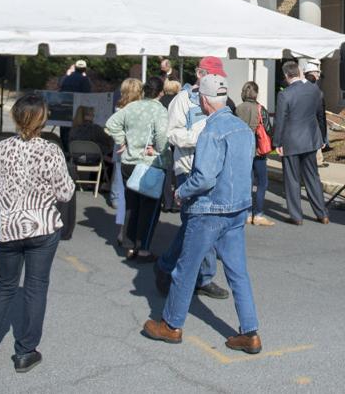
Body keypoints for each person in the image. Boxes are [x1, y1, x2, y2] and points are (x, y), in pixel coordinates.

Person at [141, 74, 262, 355]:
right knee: (238, 272)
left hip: (209, 209)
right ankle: (250, 332)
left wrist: (182, 192)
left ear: (204, 101)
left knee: (186, 269)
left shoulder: (210, 130)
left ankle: (171, 325)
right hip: (236, 207)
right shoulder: (243, 129)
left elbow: (205, 177)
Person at [0, 94, 75, 374]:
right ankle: (25, 351)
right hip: (41, 225)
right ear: (43, 119)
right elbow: (65, 192)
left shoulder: (1, 148)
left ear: (15, 117)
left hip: (8, 225)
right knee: (35, 287)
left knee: (4, 285)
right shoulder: (51, 151)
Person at [155, 57, 231, 298]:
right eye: (213, 75)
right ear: (200, 74)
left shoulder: (220, 96)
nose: (218, 80)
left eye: (219, 76)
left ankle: (199, 276)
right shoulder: (182, 100)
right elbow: (171, 134)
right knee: (196, 223)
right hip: (188, 170)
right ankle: (173, 268)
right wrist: (199, 138)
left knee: (204, 223)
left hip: (213, 169)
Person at [104, 77, 169, 259]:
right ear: (161, 92)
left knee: (132, 205)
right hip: (148, 163)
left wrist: (122, 140)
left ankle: (130, 245)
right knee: (149, 208)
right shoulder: (159, 110)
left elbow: (111, 124)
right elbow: (161, 135)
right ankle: (143, 249)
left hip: (128, 162)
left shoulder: (132, 106)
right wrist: (159, 149)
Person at [273, 59, 330, 225]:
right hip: (310, 139)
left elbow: (280, 120)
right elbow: (320, 114)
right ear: (299, 72)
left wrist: (277, 143)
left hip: (291, 141)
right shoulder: (314, 90)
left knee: (292, 179)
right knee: (313, 177)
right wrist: (322, 137)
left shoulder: (284, 94)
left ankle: (296, 216)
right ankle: (322, 214)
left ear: (286, 75)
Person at [234, 81, 275, 227]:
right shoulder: (260, 108)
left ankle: (246, 214)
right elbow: (268, 129)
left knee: (247, 181)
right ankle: (258, 215)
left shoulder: (238, 108)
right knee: (262, 182)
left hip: (242, 148)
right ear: (256, 93)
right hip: (258, 149)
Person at [303, 59, 330, 167]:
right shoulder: (317, 92)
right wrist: (323, 136)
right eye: (317, 72)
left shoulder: (297, 89)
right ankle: (316, 161)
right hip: (314, 127)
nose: (319, 75)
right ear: (312, 73)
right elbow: (321, 116)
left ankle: (317, 160)